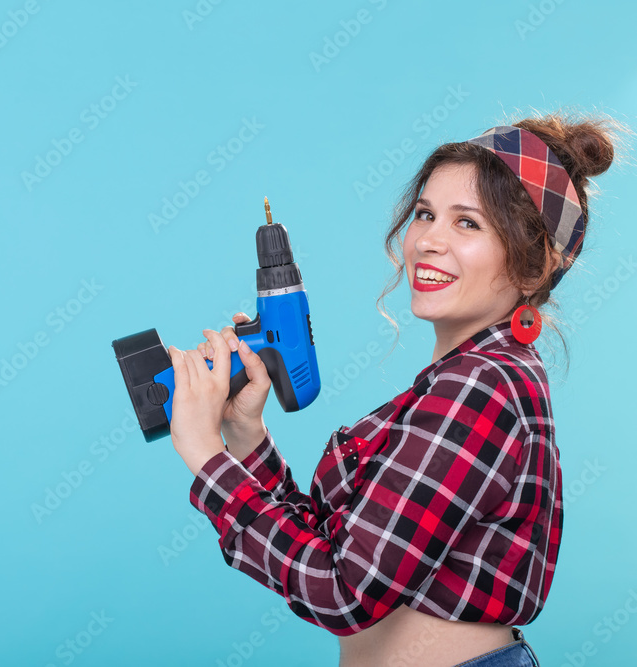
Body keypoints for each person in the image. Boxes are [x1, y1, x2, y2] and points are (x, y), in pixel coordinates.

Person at [165, 112, 622, 667]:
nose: (429, 240)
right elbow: (334, 551)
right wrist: (243, 435)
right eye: (426, 213)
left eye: (468, 224)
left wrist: (204, 455)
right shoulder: (455, 384)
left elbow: (342, 592)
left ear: (532, 267)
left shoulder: (482, 387)